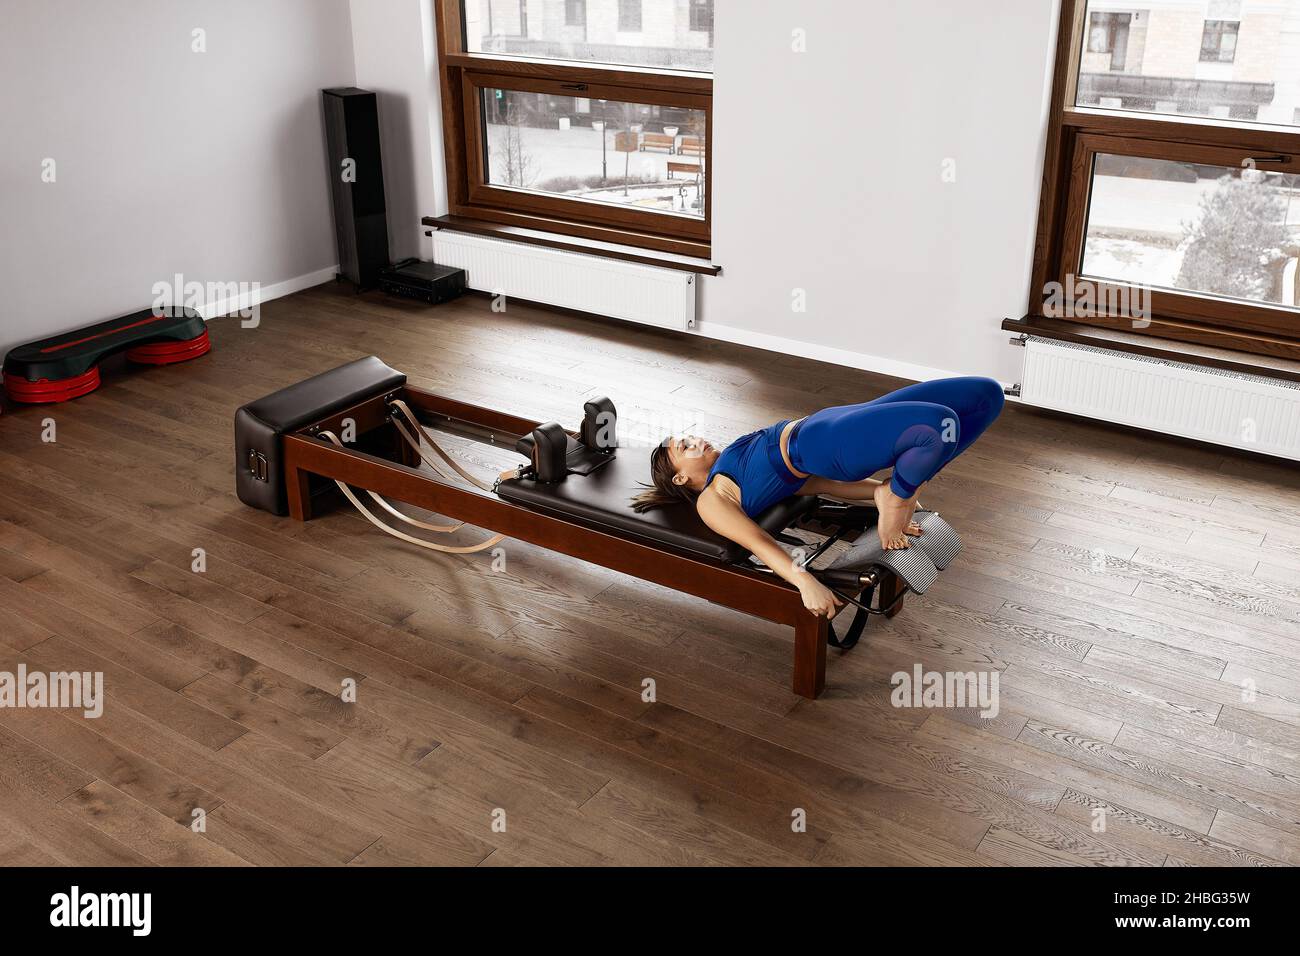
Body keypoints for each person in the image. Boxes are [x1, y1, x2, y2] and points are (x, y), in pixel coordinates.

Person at [632, 377, 1004, 617]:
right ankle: (900, 492)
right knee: (933, 428)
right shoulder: (712, 498)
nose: (695, 439)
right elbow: (758, 542)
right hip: (828, 445)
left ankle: (899, 489)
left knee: (985, 395)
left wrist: (875, 491)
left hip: (827, 423)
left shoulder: (736, 465)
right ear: (680, 476)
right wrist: (804, 581)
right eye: (684, 445)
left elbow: (822, 486)